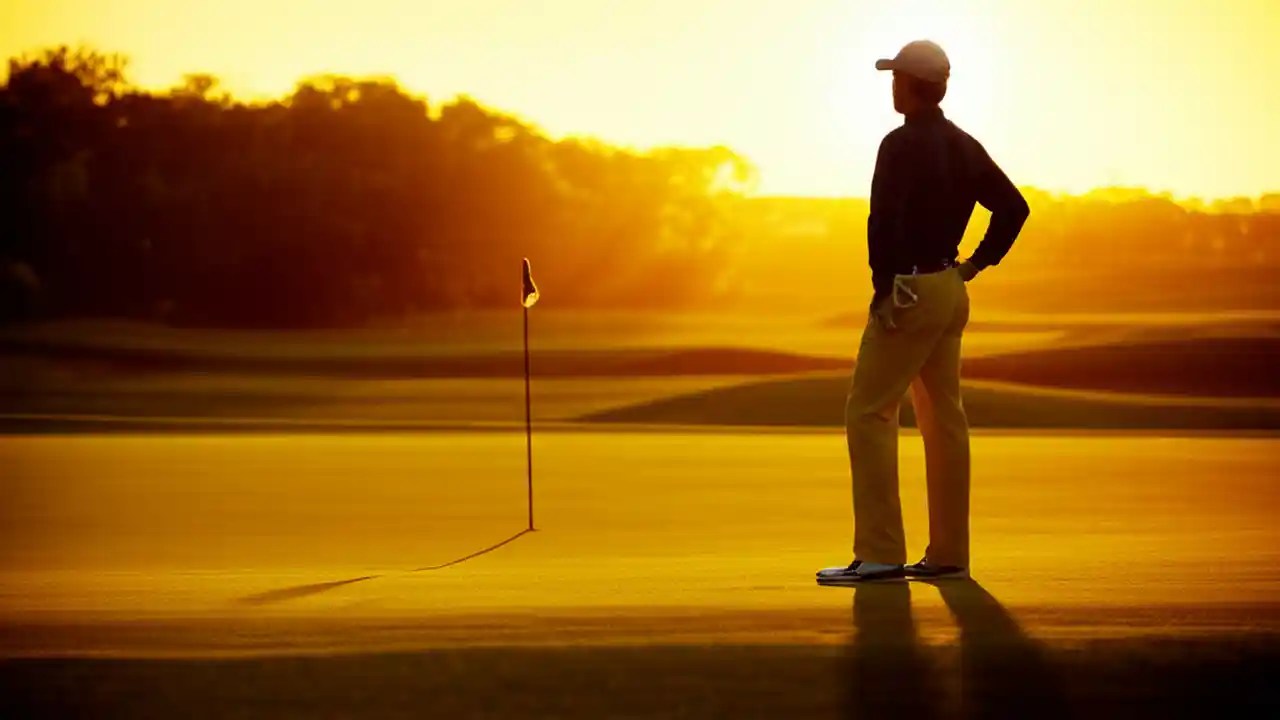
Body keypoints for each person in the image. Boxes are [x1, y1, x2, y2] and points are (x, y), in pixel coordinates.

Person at [817, 40, 1029, 584]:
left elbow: (881, 223)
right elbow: (1014, 207)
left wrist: (882, 290)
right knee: (943, 418)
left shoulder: (898, 144)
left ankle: (881, 552)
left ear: (914, 86)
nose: (892, 86)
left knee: (868, 411)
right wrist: (976, 264)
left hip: (909, 289)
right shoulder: (963, 145)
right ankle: (949, 555)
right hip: (948, 286)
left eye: (897, 78)